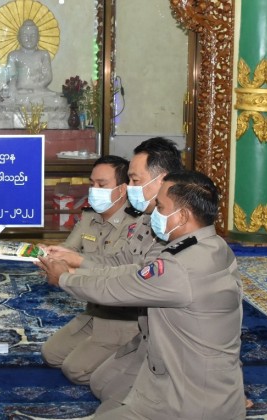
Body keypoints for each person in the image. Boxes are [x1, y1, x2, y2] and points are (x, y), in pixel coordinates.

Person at [39, 171, 245, 419]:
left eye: (160, 206)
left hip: (186, 403)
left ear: (182, 216)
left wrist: (64, 278)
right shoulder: (214, 247)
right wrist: (76, 268)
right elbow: (135, 274)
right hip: (210, 387)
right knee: (106, 392)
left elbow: (117, 290)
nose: (154, 213)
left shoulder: (179, 266)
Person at [41, 137, 183, 407]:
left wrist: (67, 277)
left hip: (147, 325)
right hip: (112, 308)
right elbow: (119, 262)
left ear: (161, 179)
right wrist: (76, 260)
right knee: (54, 356)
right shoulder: (145, 221)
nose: (131, 189)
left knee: (90, 378)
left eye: (134, 180)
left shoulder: (175, 231)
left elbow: (133, 278)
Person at [40, 155, 142, 385]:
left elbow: (122, 271)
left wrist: (72, 263)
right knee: (51, 354)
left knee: (76, 370)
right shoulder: (89, 216)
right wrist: (48, 255)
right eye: (92, 183)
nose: (94, 190)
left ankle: (136, 361)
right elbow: (68, 249)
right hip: (95, 310)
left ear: (122, 189)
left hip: (124, 317)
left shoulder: (137, 224)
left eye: (102, 185)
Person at [0, 19, 67, 129]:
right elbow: (11, 77)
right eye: (25, 35)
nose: (29, 38)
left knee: (59, 101)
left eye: (33, 35)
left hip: (39, 92)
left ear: (38, 37)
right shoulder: (14, 55)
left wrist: (36, 87)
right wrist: (12, 91)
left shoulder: (43, 54)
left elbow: (48, 77)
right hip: (19, 93)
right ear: (19, 37)